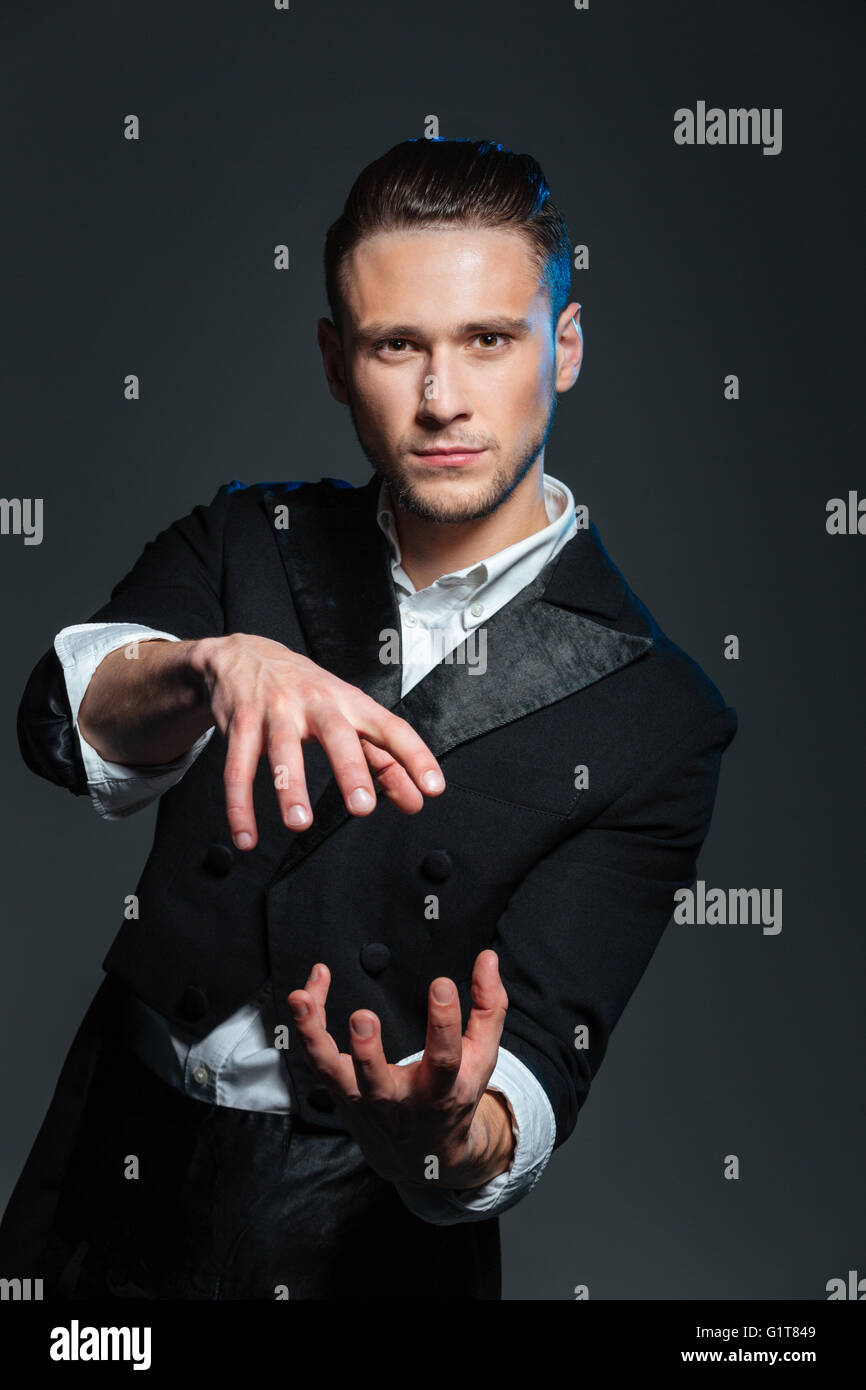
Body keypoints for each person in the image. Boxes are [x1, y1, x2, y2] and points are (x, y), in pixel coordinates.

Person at [0, 137, 738, 1301]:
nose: (441, 399)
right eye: (400, 346)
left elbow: (542, 1056)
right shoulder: (246, 538)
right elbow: (56, 724)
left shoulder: (657, 716)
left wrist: (443, 1138)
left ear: (566, 345)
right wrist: (210, 668)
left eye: (487, 340)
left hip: (359, 1228)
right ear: (339, 363)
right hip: (104, 1155)